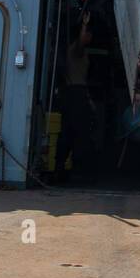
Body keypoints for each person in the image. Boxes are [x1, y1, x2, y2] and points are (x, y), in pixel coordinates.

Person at [53, 16, 96, 180]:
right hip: (76, 94)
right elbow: (81, 42)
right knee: (80, 133)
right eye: (88, 34)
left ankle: (61, 167)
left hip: (75, 93)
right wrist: (84, 25)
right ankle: (75, 170)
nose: (90, 38)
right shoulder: (76, 50)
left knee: (68, 133)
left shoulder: (74, 52)